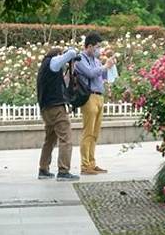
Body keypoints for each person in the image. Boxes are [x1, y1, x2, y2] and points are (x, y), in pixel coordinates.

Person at [36, 47, 80, 181]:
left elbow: (63, 84)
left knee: (49, 139)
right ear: (58, 55)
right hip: (56, 107)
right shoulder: (53, 62)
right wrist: (70, 52)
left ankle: (43, 169)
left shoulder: (46, 67)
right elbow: (71, 53)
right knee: (66, 137)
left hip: (46, 109)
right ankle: (63, 170)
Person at [75, 32, 115, 175]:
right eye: (97, 47)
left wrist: (110, 67)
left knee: (95, 133)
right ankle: (85, 165)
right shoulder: (80, 59)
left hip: (99, 96)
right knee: (88, 132)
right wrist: (104, 66)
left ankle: (92, 163)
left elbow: (102, 75)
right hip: (88, 97)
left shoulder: (96, 60)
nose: (99, 50)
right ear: (89, 46)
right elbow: (91, 73)